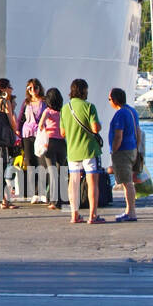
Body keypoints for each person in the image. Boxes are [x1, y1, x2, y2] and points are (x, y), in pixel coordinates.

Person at [61, 78, 103, 224]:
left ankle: (74, 214)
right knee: (92, 182)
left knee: (73, 183)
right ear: (84, 90)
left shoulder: (65, 109)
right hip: (89, 150)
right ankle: (93, 215)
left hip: (72, 151)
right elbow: (95, 128)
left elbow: (62, 132)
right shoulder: (89, 107)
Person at [107, 88, 141, 222]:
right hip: (132, 149)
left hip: (122, 151)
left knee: (127, 183)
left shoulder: (120, 114)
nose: (109, 102)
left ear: (115, 100)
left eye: (109, 99)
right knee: (128, 182)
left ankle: (131, 212)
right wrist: (136, 148)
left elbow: (118, 135)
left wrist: (113, 150)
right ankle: (129, 210)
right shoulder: (132, 111)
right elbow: (138, 132)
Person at [39, 87, 66, 210]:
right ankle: (61, 199)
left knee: (52, 171)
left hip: (50, 143)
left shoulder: (47, 111)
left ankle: (54, 200)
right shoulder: (63, 111)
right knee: (61, 171)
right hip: (62, 142)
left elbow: (40, 126)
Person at [20, 79, 46, 203]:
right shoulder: (26, 103)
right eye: (30, 88)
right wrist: (18, 133)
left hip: (40, 134)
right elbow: (21, 118)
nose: (33, 90)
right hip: (27, 134)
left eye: (35, 87)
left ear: (39, 88)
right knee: (30, 162)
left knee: (41, 162)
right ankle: (36, 191)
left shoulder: (44, 102)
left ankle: (42, 191)